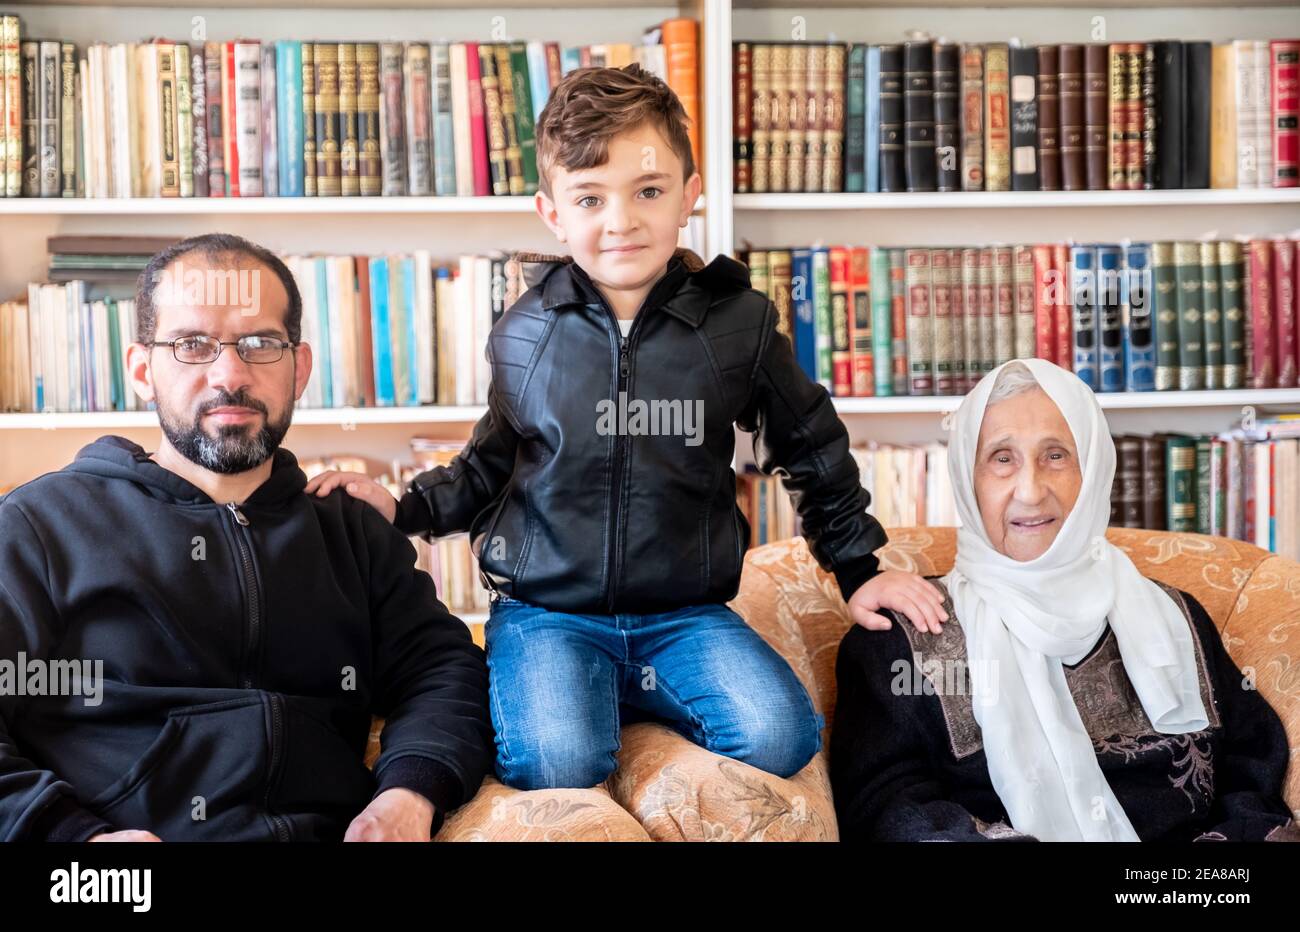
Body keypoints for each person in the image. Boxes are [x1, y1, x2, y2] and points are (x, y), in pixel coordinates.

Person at [306, 64, 947, 792]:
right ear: (553, 213)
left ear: (690, 196)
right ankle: (580, 696)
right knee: (558, 761)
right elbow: (489, 465)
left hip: (685, 615)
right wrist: (404, 506)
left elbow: (809, 445)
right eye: (590, 197)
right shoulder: (526, 332)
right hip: (549, 612)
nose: (622, 221)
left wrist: (860, 569)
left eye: (648, 191)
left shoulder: (737, 324)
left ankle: (627, 698)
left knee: (780, 735)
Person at [0, 233, 494, 841]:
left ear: (300, 367)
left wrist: (409, 793)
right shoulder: (40, 525)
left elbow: (442, 668)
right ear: (141, 371)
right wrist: (78, 838)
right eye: (191, 344)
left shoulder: (351, 530)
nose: (228, 375)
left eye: (260, 343)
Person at [831, 358, 1298, 842]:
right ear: (967, 479)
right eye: (1001, 458)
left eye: (1056, 455)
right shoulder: (901, 638)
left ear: (1094, 470)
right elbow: (886, 807)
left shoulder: (1178, 617)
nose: (1030, 491)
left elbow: (1252, 772)